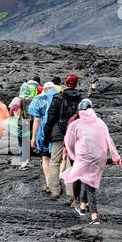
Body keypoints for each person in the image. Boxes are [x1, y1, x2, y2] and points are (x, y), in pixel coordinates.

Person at [62, 99, 122, 223]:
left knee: (89, 186)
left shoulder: (76, 124)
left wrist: (73, 155)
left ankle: (94, 217)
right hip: (99, 157)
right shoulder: (100, 122)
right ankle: (83, 208)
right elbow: (108, 139)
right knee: (88, 181)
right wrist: (116, 156)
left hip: (84, 156)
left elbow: (69, 142)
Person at [43, 74, 85, 204]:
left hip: (58, 134)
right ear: (77, 85)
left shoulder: (58, 98)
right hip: (75, 135)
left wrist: (46, 135)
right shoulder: (81, 100)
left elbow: (51, 117)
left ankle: (54, 190)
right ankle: (71, 195)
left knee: (55, 162)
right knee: (71, 164)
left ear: (65, 84)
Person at [27, 79, 59, 190]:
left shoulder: (39, 99)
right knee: (58, 158)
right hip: (58, 132)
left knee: (45, 158)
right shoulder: (59, 98)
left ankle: (49, 183)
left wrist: (33, 138)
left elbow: (36, 120)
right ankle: (58, 181)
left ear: (44, 89)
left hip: (43, 133)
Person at [15, 78, 39, 168]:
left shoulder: (20, 100)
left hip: (22, 123)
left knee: (21, 142)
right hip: (30, 122)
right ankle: (26, 159)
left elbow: (18, 112)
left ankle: (24, 161)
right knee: (27, 141)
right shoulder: (33, 100)